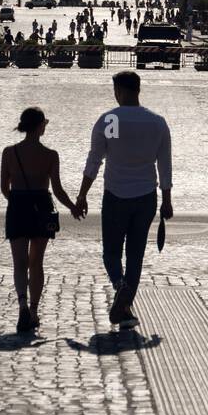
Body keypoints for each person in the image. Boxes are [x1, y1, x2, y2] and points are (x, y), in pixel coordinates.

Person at [74, 70, 173, 329]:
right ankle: (125, 305)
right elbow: (165, 165)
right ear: (138, 90)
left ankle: (120, 289)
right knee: (136, 254)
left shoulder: (111, 121)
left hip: (116, 195)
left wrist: (83, 194)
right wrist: (167, 199)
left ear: (120, 91)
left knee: (111, 252)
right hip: (146, 197)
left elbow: (95, 159)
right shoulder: (157, 122)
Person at [1, 107, 81, 334]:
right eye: (44, 123)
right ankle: (34, 312)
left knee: (19, 262)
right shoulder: (50, 155)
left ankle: (23, 305)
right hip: (41, 206)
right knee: (36, 262)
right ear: (39, 126)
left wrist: (18, 202)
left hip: (17, 205)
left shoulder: (9, 153)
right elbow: (57, 189)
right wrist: (73, 207)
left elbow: (3, 188)